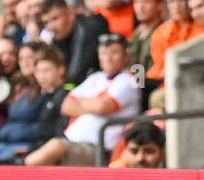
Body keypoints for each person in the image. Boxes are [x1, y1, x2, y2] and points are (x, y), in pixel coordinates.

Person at [26, 33, 140, 166]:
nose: (108, 58)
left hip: (100, 150)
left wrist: (82, 103)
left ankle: (19, 175)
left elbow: (103, 107)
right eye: (103, 53)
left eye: (114, 52)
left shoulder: (129, 80)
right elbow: (66, 105)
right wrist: (93, 104)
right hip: (72, 142)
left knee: (56, 146)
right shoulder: (95, 77)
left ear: (126, 55)